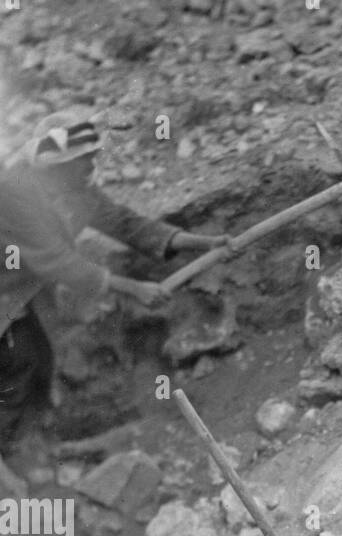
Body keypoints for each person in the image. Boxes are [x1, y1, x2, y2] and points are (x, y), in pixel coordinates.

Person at [0, 109, 227, 450]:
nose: (92, 165)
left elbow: (127, 224)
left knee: (36, 361)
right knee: (22, 363)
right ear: (58, 165)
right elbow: (59, 263)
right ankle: (12, 451)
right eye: (83, 159)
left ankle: (23, 439)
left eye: (92, 156)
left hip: (20, 289)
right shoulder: (15, 193)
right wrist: (133, 288)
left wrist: (204, 243)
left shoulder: (77, 191)